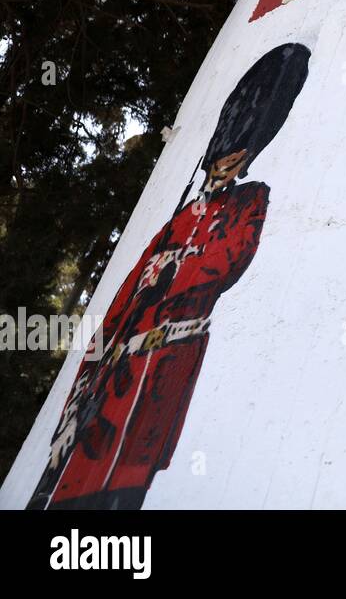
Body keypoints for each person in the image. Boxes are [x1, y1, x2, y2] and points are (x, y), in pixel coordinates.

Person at [28, 43, 311, 510]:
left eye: (235, 161)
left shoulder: (250, 201)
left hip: (161, 376)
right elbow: (123, 300)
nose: (227, 169)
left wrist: (180, 264)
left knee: (124, 488)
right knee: (72, 489)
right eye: (223, 161)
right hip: (114, 377)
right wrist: (84, 378)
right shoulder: (176, 219)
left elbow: (230, 260)